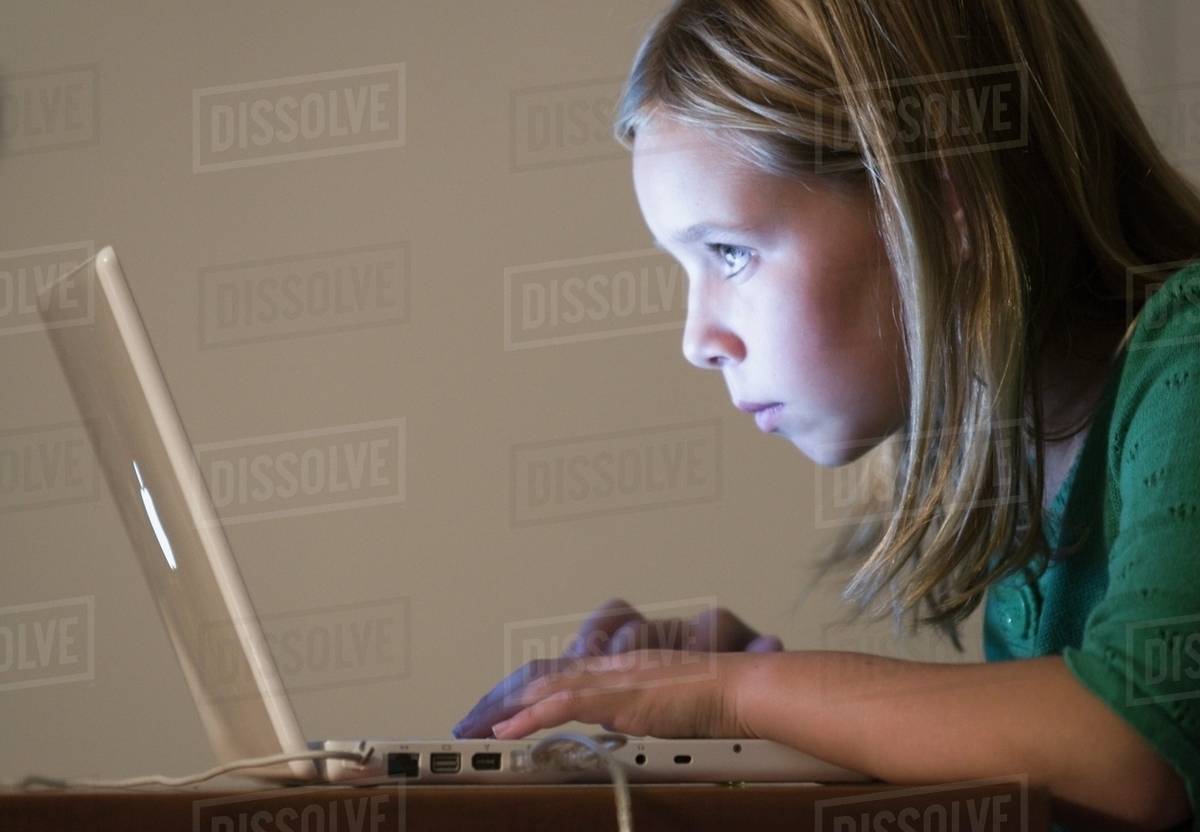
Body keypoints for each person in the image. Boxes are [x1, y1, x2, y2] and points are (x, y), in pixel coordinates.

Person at [454, 2, 1200, 828]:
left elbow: (1130, 752)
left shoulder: (1189, 357)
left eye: (730, 252)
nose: (697, 340)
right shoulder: (1022, 449)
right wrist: (770, 704)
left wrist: (739, 695)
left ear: (938, 204)